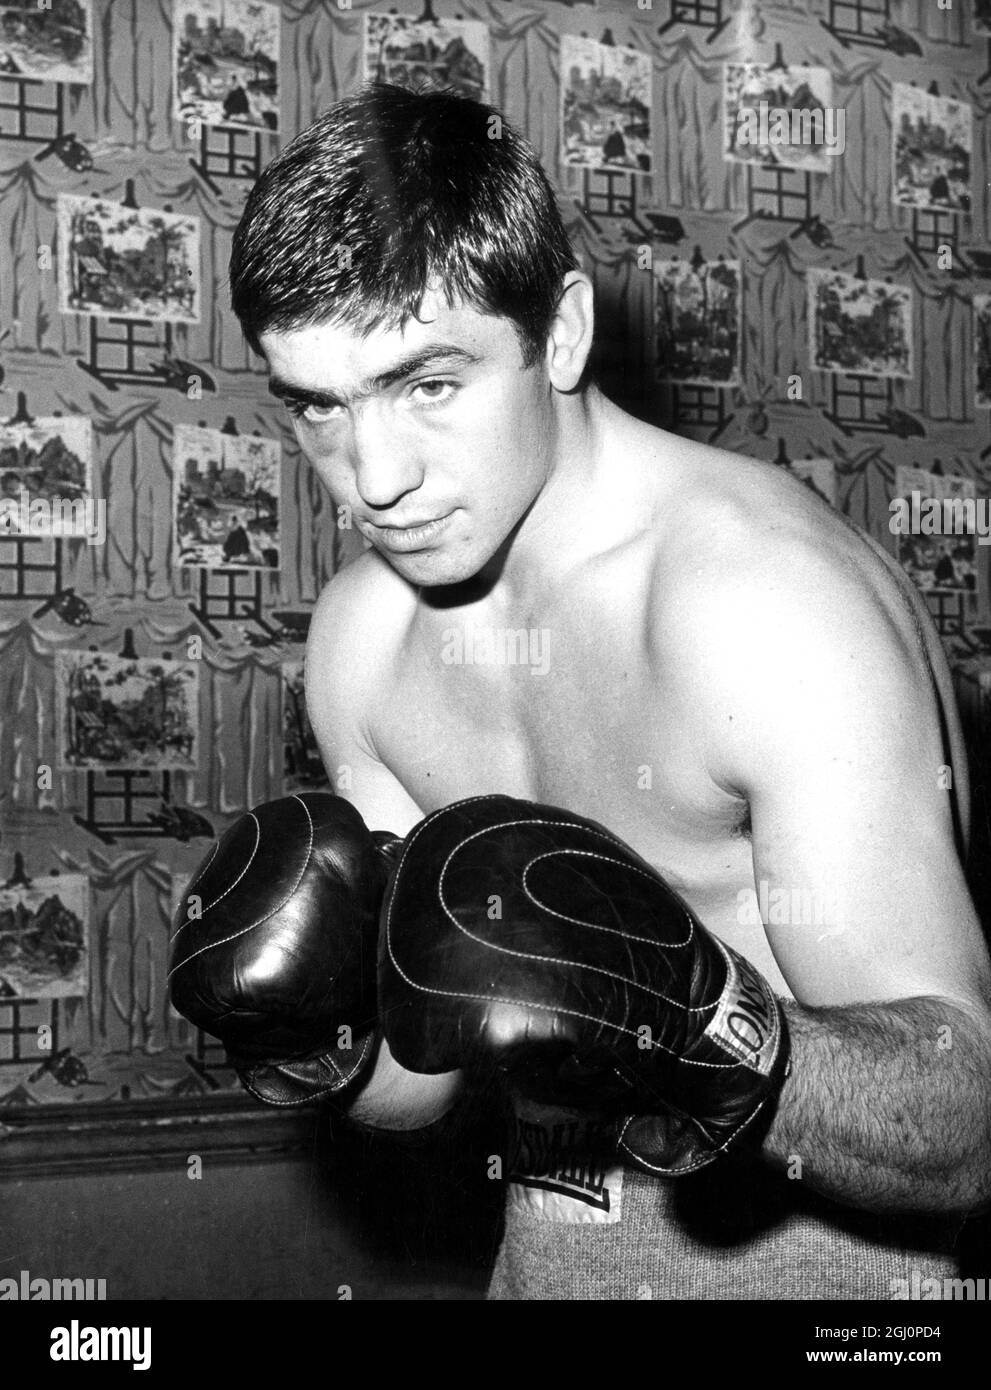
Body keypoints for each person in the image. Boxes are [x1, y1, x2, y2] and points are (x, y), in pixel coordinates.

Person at [203, 83, 991, 1298]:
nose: (373, 477)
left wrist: (701, 1024)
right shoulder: (367, 642)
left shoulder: (758, 607)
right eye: (319, 406)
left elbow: (964, 1126)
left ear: (559, 333)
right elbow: (424, 1084)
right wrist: (320, 1035)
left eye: (426, 383)